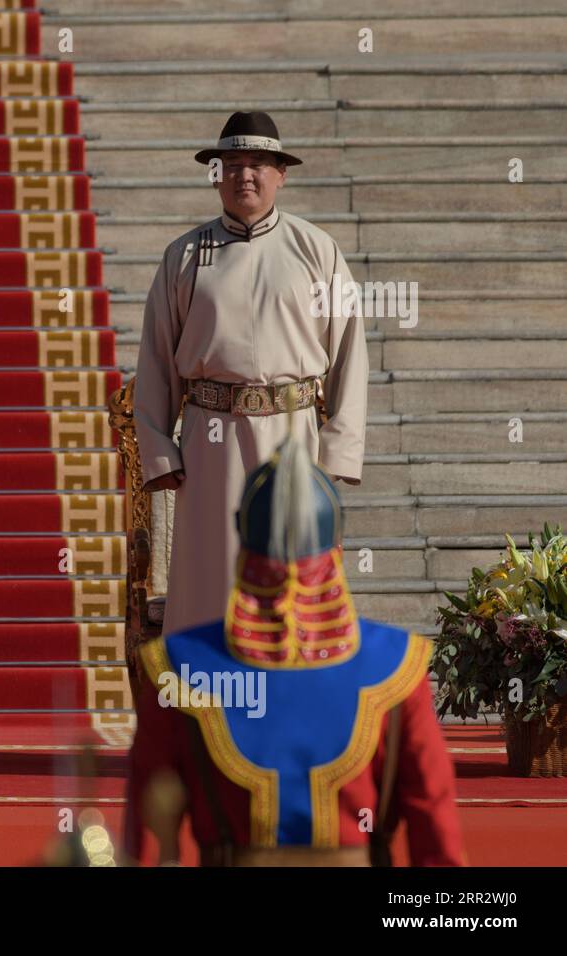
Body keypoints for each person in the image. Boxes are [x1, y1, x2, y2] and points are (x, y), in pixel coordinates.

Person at [122, 421, 465, 866]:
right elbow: (436, 842)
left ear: (242, 537)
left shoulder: (178, 669)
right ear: (336, 543)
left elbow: (146, 839)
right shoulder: (397, 667)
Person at [133, 110, 368, 636]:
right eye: (232, 164)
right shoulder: (183, 257)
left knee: (292, 574)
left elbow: (350, 352)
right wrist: (159, 450)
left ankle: (294, 681)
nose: (245, 175)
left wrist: (337, 449)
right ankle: (206, 685)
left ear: (281, 174)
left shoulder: (317, 251)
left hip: (293, 437)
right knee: (212, 579)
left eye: (258, 163)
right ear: (215, 175)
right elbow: (155, 359)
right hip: (210, 442)